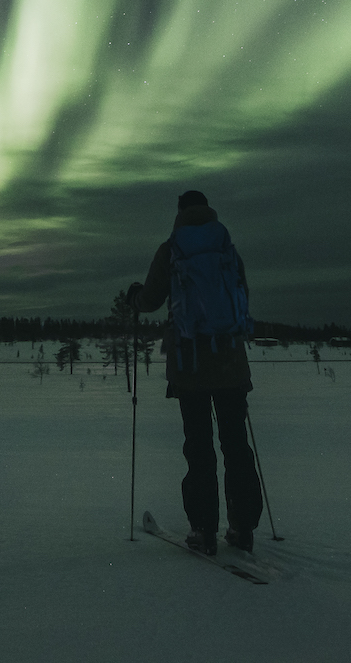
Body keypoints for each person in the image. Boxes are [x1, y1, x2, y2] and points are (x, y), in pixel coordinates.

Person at [127, 190, 263, 558]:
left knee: (199, 447)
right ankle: (243, 527)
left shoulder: (171, 249)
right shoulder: (226, 248)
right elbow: (242, 297)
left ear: (180, 212)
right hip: (231, 364)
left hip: (189, 367)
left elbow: (152, 299)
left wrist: (135, 299)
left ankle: (203, 530)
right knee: (236, 445)